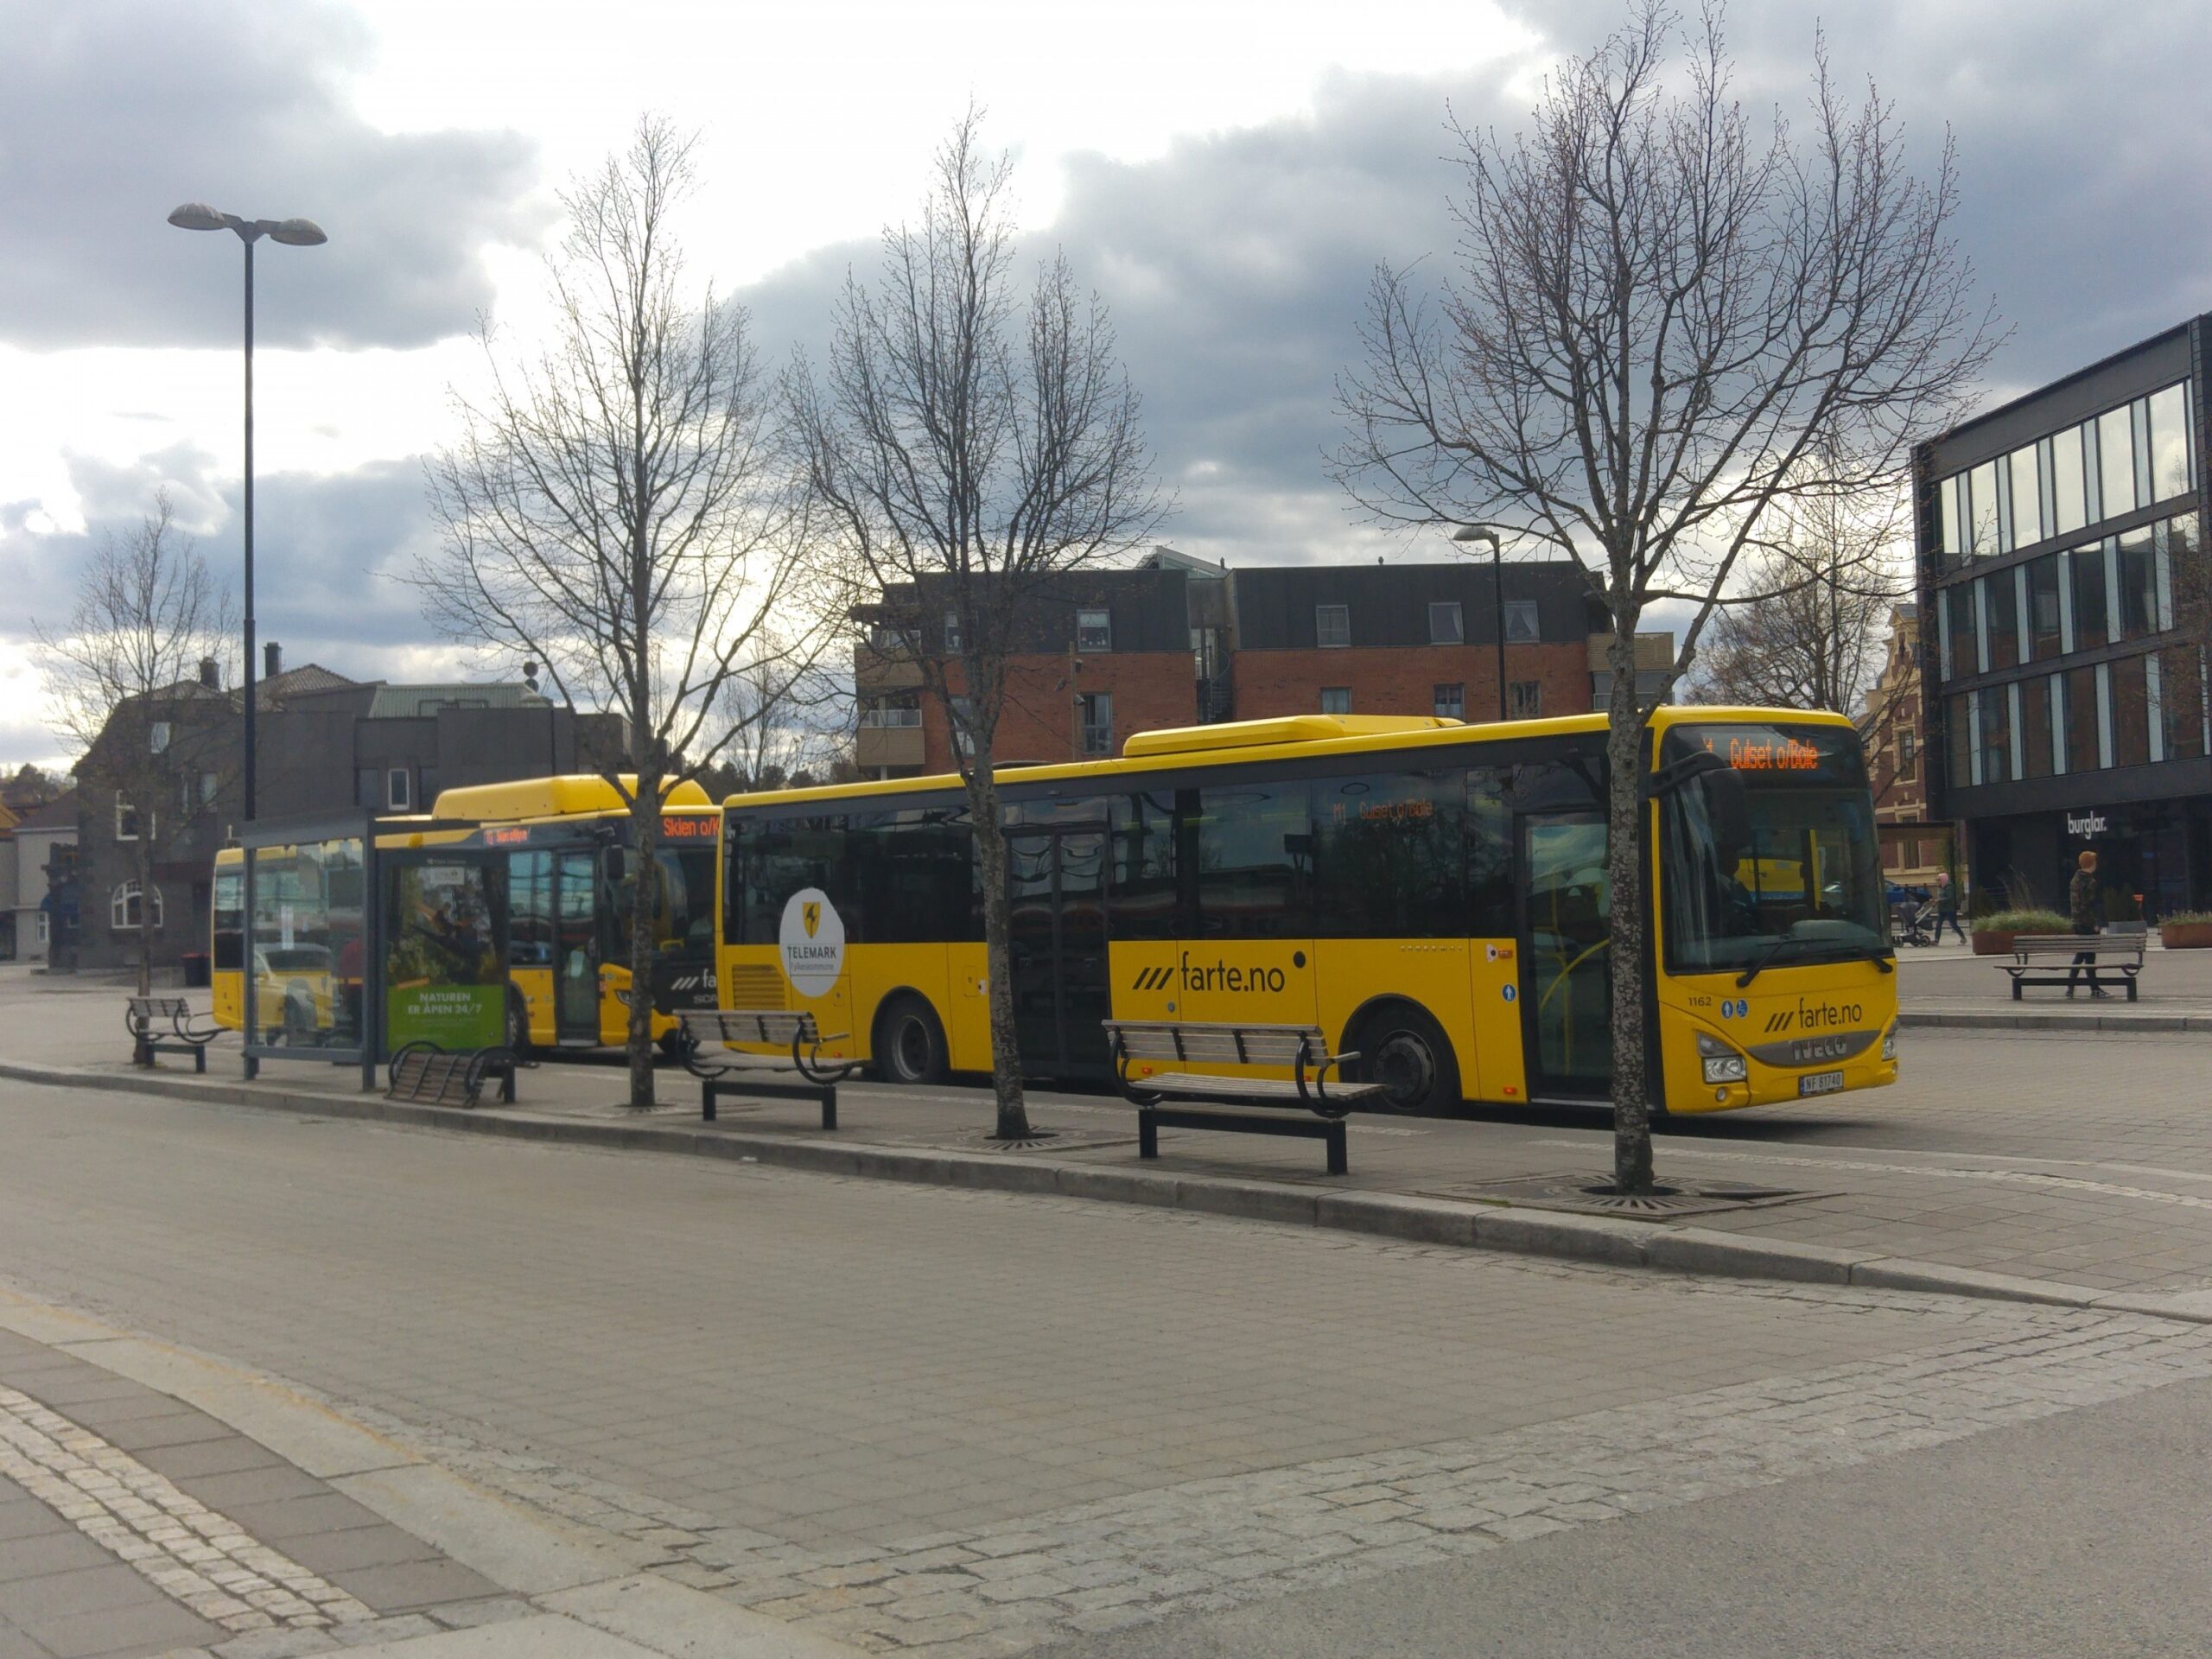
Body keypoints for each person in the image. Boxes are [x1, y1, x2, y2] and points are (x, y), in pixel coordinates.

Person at [2067, 849, 2107, 998]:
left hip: (2077, 922)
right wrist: (2097, 922)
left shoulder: (2074, 880)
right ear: (2091, 864)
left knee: (2080, 954)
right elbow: (2092, 904)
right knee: (2089, 956)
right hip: (2089, 924)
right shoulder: (2090, 881)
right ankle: (2095, 988)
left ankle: (2071, 986)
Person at [1933, 872, 1967, 944]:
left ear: (1943, 879)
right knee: (1938, 924)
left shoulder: (1949, 887)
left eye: (1938, 880)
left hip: (1949, 909)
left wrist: (1939, 900)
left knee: (1953, 924)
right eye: (1936, 880)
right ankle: (1936, 940)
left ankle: (1963, 937)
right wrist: (1935, 900)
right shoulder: (1941, 887)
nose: (1937, 881)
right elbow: (1941, 897)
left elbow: (1949, 898)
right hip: (1942, 909)